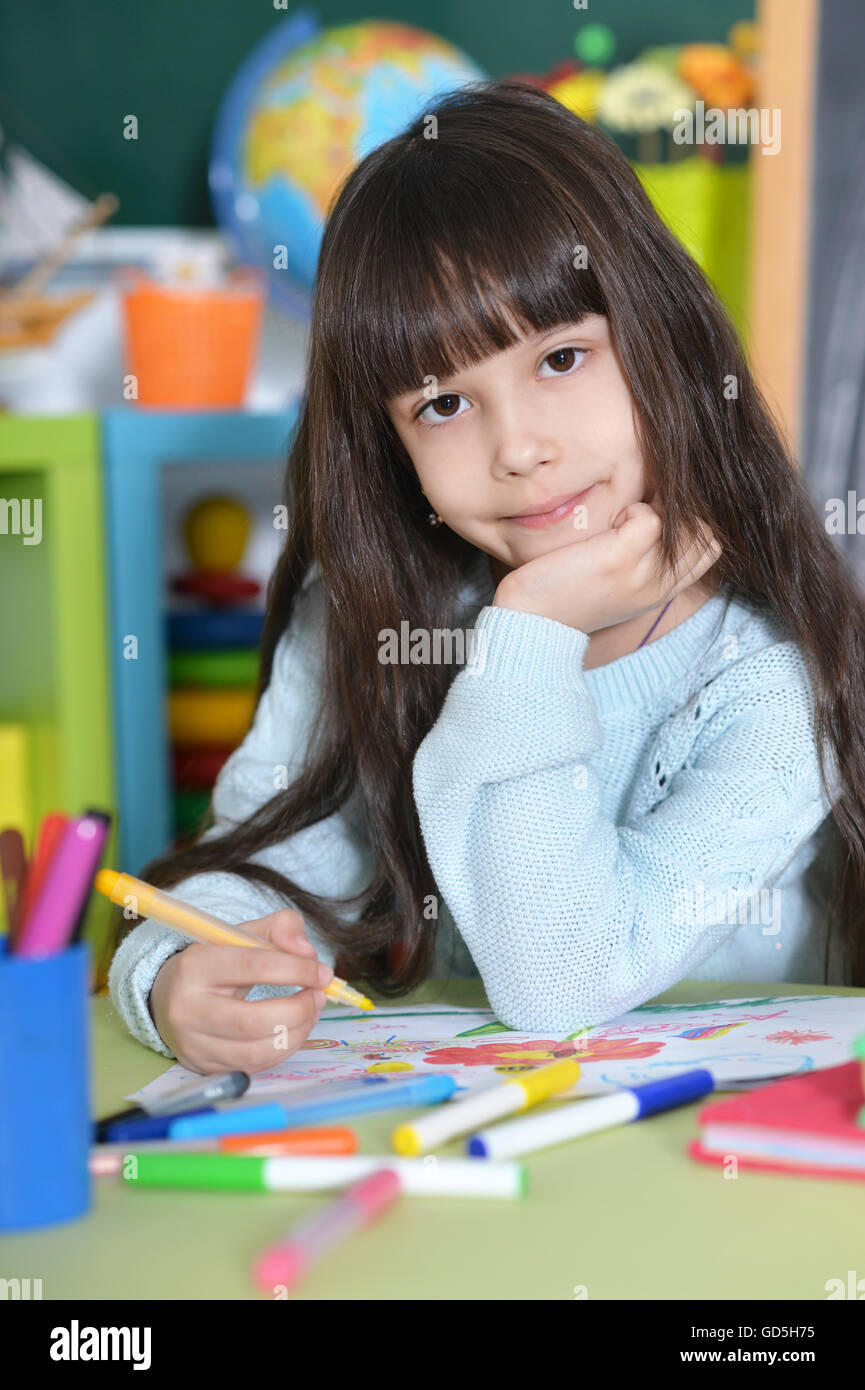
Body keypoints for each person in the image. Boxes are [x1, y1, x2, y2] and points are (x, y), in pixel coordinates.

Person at [107, 81, 859, 1074]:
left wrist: (533, 631)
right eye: (444, 404)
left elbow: (561, 981)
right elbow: (264, 857)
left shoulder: (769, 660)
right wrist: (176, 971)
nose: (521, 450)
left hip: (718, 1164)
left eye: (561, 358)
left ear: (662, 339)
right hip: (482, 1154)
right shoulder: (371, 615)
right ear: (387, 442)